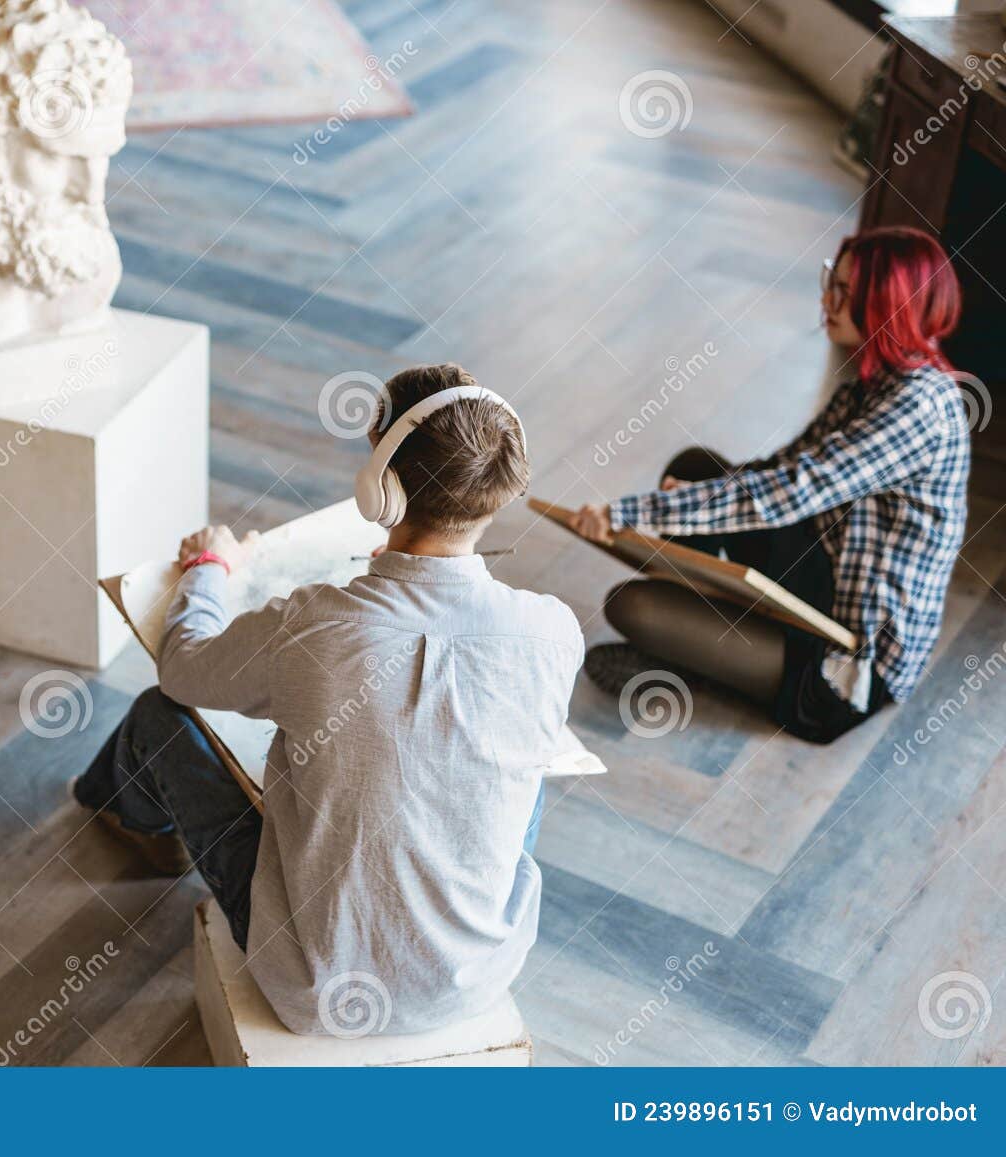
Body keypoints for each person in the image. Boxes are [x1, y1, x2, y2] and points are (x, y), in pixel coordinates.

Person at [73, 364, 584, 1036]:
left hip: (316, 991)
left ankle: (129, 819)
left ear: (382, 487)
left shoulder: (316, 624)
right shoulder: (552, 631)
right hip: (473, 983)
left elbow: (183, 669)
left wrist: (208, 570)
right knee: (523, 770)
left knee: (157, 715)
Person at [571, 225, 969, 744]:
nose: (826, 301)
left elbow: (793, 490)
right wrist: (691, 499)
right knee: (699, 468)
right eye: (831, 282)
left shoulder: (917, 407)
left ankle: (696, 655)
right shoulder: (871, 387)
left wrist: (629, 514)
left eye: (844, 292)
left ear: (887, 305)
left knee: (632, 606)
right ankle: (702, 641)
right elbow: (778, 470)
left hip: (847, 660)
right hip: (821, 575)